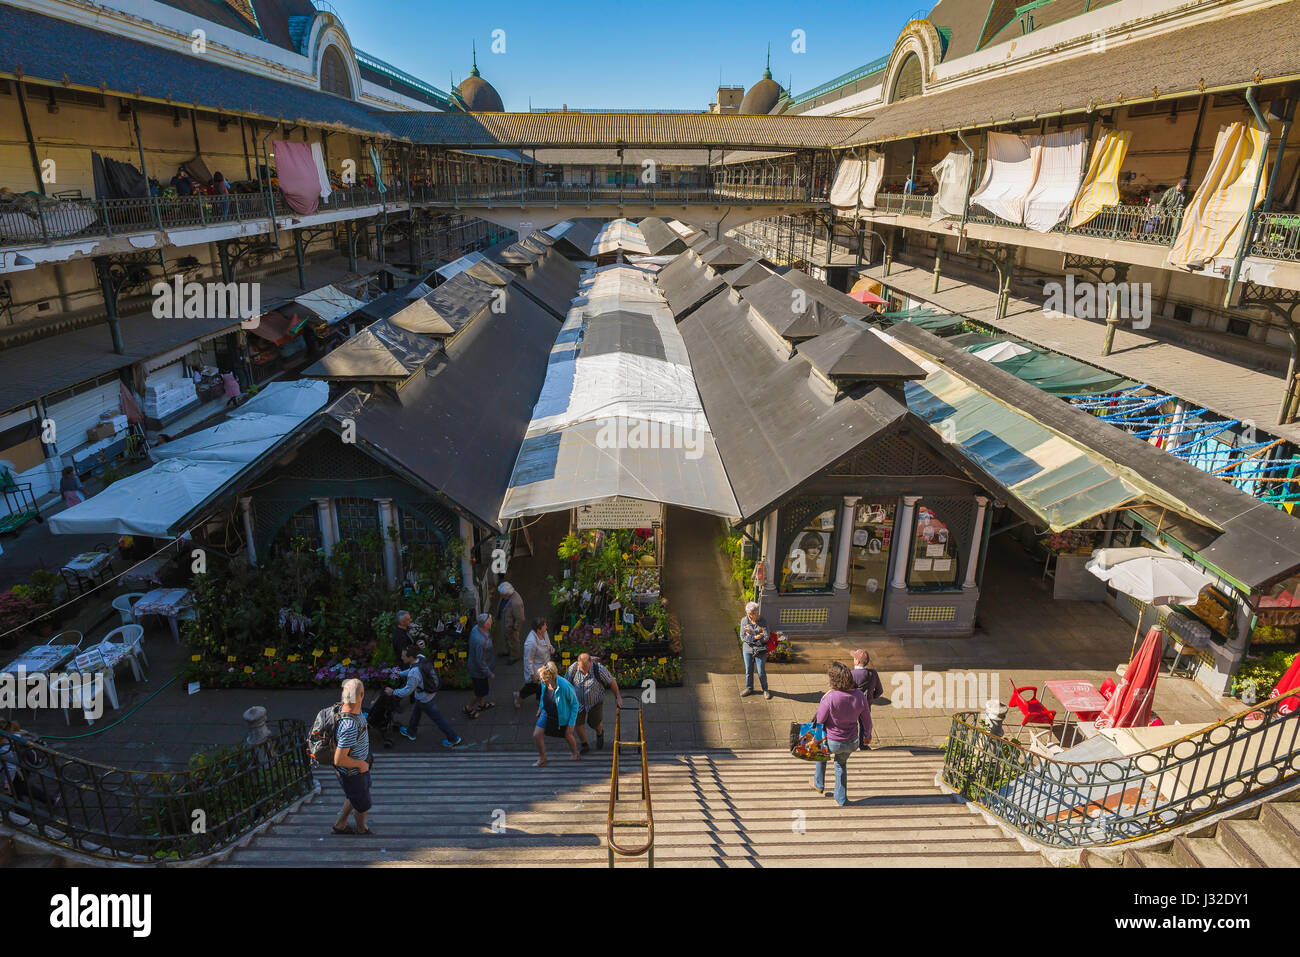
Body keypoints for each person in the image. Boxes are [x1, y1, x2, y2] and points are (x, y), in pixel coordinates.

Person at [810, 662, 867, 807]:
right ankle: (841, 798)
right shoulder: (860, 695)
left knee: (821, 754)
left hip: (832, 741)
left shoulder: (830, 698)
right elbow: (867, 719)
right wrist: (869, 734)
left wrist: (815, 740)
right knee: (841, 765)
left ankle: (819, 783)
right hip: (851, 741)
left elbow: (820, 720)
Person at [389, 646, 461, 748]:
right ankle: (411, 732)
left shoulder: (414, 674)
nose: (401, 657)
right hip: (426, 692)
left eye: (404, 656)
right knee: (416, 711)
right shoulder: (420, 657)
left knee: (438, 719)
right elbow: (411, 670)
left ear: (410, 658)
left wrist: (393, 692)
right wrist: (400, 673)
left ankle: (453, 738)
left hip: (425, 698)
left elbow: (407, 691)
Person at [332, 678, 373, 835]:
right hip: (353, 772)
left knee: (354, 794)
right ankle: (361, 828)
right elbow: (339, 759)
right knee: (363, 805)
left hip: (357, 769)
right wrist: (361, 765)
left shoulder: (346, 708)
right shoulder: (349, 726)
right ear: (362, 695)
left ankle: (340, 824)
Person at [565, 652, 620, 753]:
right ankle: (584, 744)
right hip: (578, 702)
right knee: (578, 723)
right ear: (578, 664)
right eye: (582, 669)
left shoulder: (599, 669)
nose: (585, 672)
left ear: (590, 663)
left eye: (586, 669)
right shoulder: (572, 669)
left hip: (595, 702)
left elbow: (611, 681)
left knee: (595, 723)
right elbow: (566, 684)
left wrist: (617, 696)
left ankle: (599, 733)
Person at [532, 662, 580, 767]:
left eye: (543, 679)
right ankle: (542, 757)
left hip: (561, 715)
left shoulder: (564, 686)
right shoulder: (544, 683)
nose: (541, 680)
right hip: (547, 712)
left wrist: (571, 723)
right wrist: (540, 707)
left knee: (567, 734)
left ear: (551, 677)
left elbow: (575, 704)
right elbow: (543, 695)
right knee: (537, 735)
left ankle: (575, 753)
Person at [515, 618, 553, 710]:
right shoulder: (531, 642)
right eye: (544, 626)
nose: (546, 627)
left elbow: (548, 644)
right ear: (538, 630)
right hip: (536, 670)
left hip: (544, 666)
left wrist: (551, 648)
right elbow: (528, 660)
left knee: (542, 685)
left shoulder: (544, 633)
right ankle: (518, 698)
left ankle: (539, 700)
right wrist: (532, 675)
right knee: (531, 687)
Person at [850, 649, 884, 749]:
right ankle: (863, 746)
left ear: (857, 661)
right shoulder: (873, 674)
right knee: (865, 725)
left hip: (851, 706)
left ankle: (850, 744)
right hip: (865, 704)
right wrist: (871, 698)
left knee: (850, 724)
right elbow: (879, 691)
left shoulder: (850, 674)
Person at [739, 600, 772, 699]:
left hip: (760, 650)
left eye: (751, 614)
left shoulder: (763, 621)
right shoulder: (744, 620)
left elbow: (766, 637)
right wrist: (756, 637)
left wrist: (751, 636)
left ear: (756, 613)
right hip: (747, 649)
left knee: (761, 671)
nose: (749, 616)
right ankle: (749, 688)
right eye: (748, 614)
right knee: (748, 670)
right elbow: (742, 637)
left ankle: (765, 689)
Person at [465, 612, 495, 719]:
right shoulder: (479, 641)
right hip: (479, 671)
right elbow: (480, 661)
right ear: (485, 625)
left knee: (481, 689)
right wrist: (489, 673)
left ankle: (481, 704)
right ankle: (469, 707)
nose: (492, 623)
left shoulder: (476, 628)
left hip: (479, 668)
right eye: (490, 622)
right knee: (479, 692)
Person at [497, 581, 526, 665]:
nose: (500, 595)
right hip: (506, 623)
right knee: (506, 638)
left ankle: (515, 656)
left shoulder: (516, 602)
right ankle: (508, 651)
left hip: (512, 627)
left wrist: (515, 628)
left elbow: (520, 618)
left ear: (507, 594)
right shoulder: (506, 595)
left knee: (514, 641)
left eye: (501, 594)